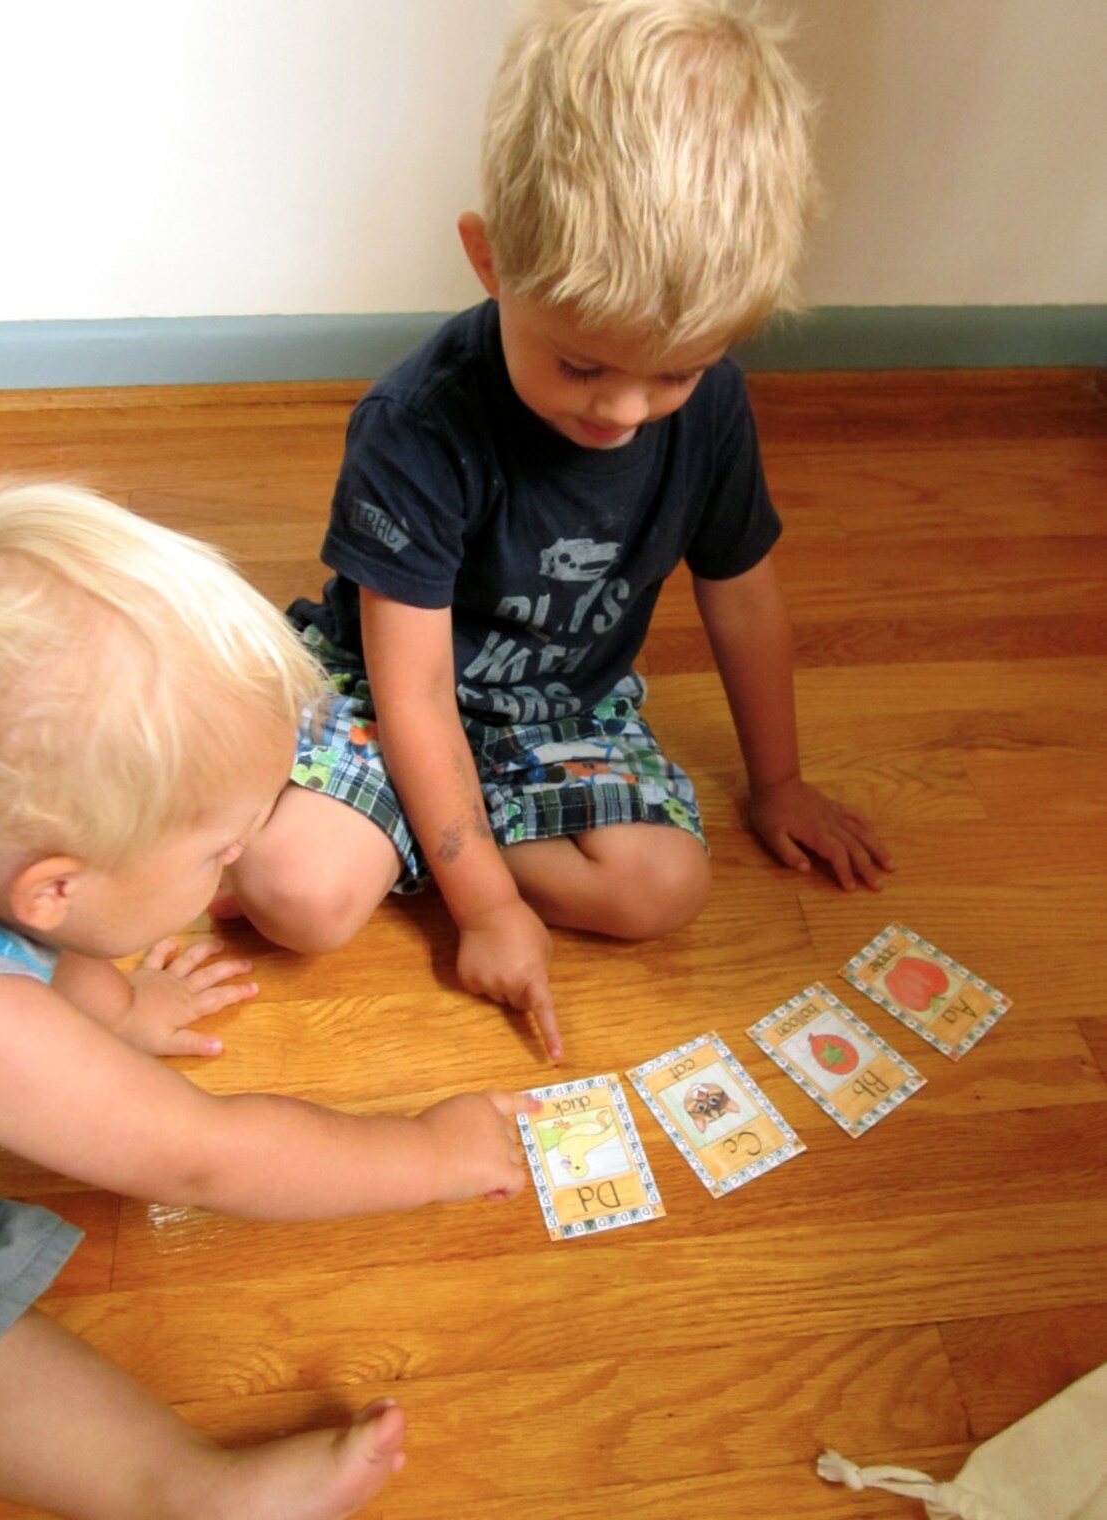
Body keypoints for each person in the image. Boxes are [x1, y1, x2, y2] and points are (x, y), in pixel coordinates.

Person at [226, 0, 893, 1062]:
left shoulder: (714, 405)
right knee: (296, 896)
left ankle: (425, 838)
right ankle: (435, 843)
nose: (622, 410)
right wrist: (487, 905)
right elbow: (412, 694)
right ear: (490, 262)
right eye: (581, 364)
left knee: (665, 884)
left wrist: (779, 781)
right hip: (394, 689)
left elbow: (744, 590)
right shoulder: (417, 425)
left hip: (556, 709)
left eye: (673, 371)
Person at [0, 482, 539, 1520]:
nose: (241, 862)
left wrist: (119, 1004)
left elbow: (38, 937)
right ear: (57, 884)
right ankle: (182, 1489)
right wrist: (431, 1151)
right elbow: (202, 1154)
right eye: (222, 847)